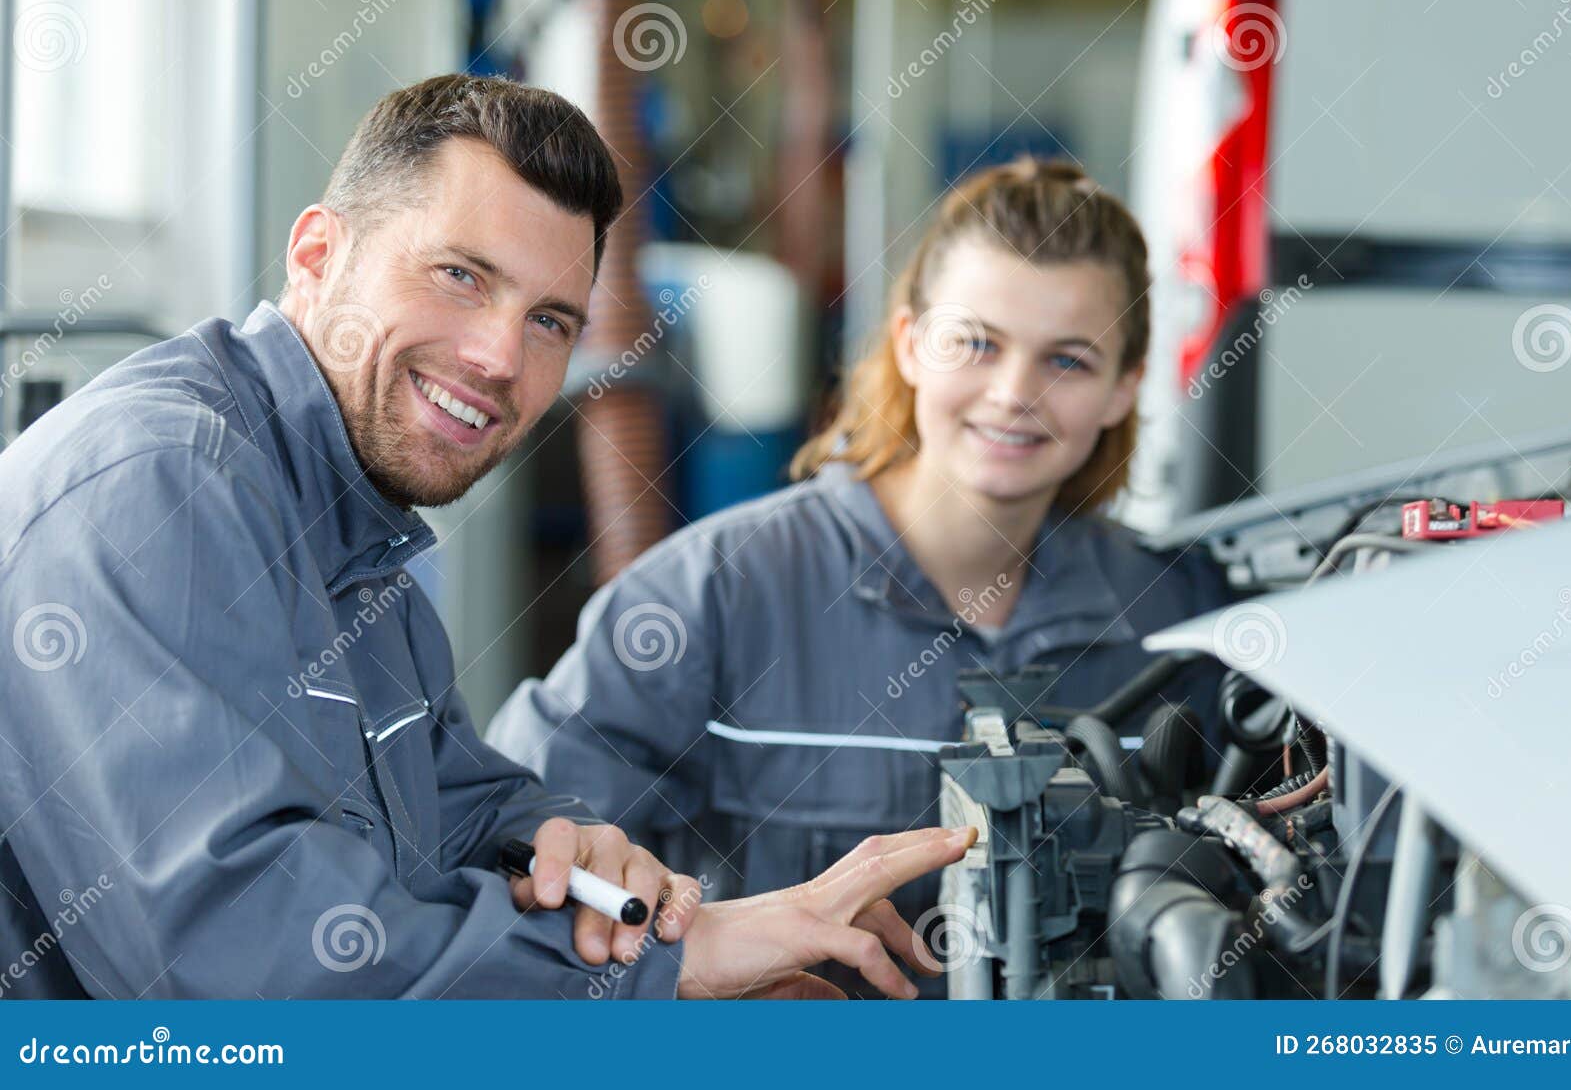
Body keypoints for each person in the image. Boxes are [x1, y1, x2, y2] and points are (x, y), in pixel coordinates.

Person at [0, 74, 971, 1001]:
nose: (500, 357)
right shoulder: (158, 486)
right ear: (316, 257)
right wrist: (660, 974)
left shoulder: (356, 525)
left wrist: (573, 845)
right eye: (459, 275)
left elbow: (456, 797)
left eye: (549, 320)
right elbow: (253, 966)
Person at [487, 157, 1233, 989]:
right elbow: (513, 841)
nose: (1015, 391)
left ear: (1126, 386)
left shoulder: (1182, 616)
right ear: (911, 344)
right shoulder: (714, 595)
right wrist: (682, 975)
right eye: (976, 343)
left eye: (1069, 360)